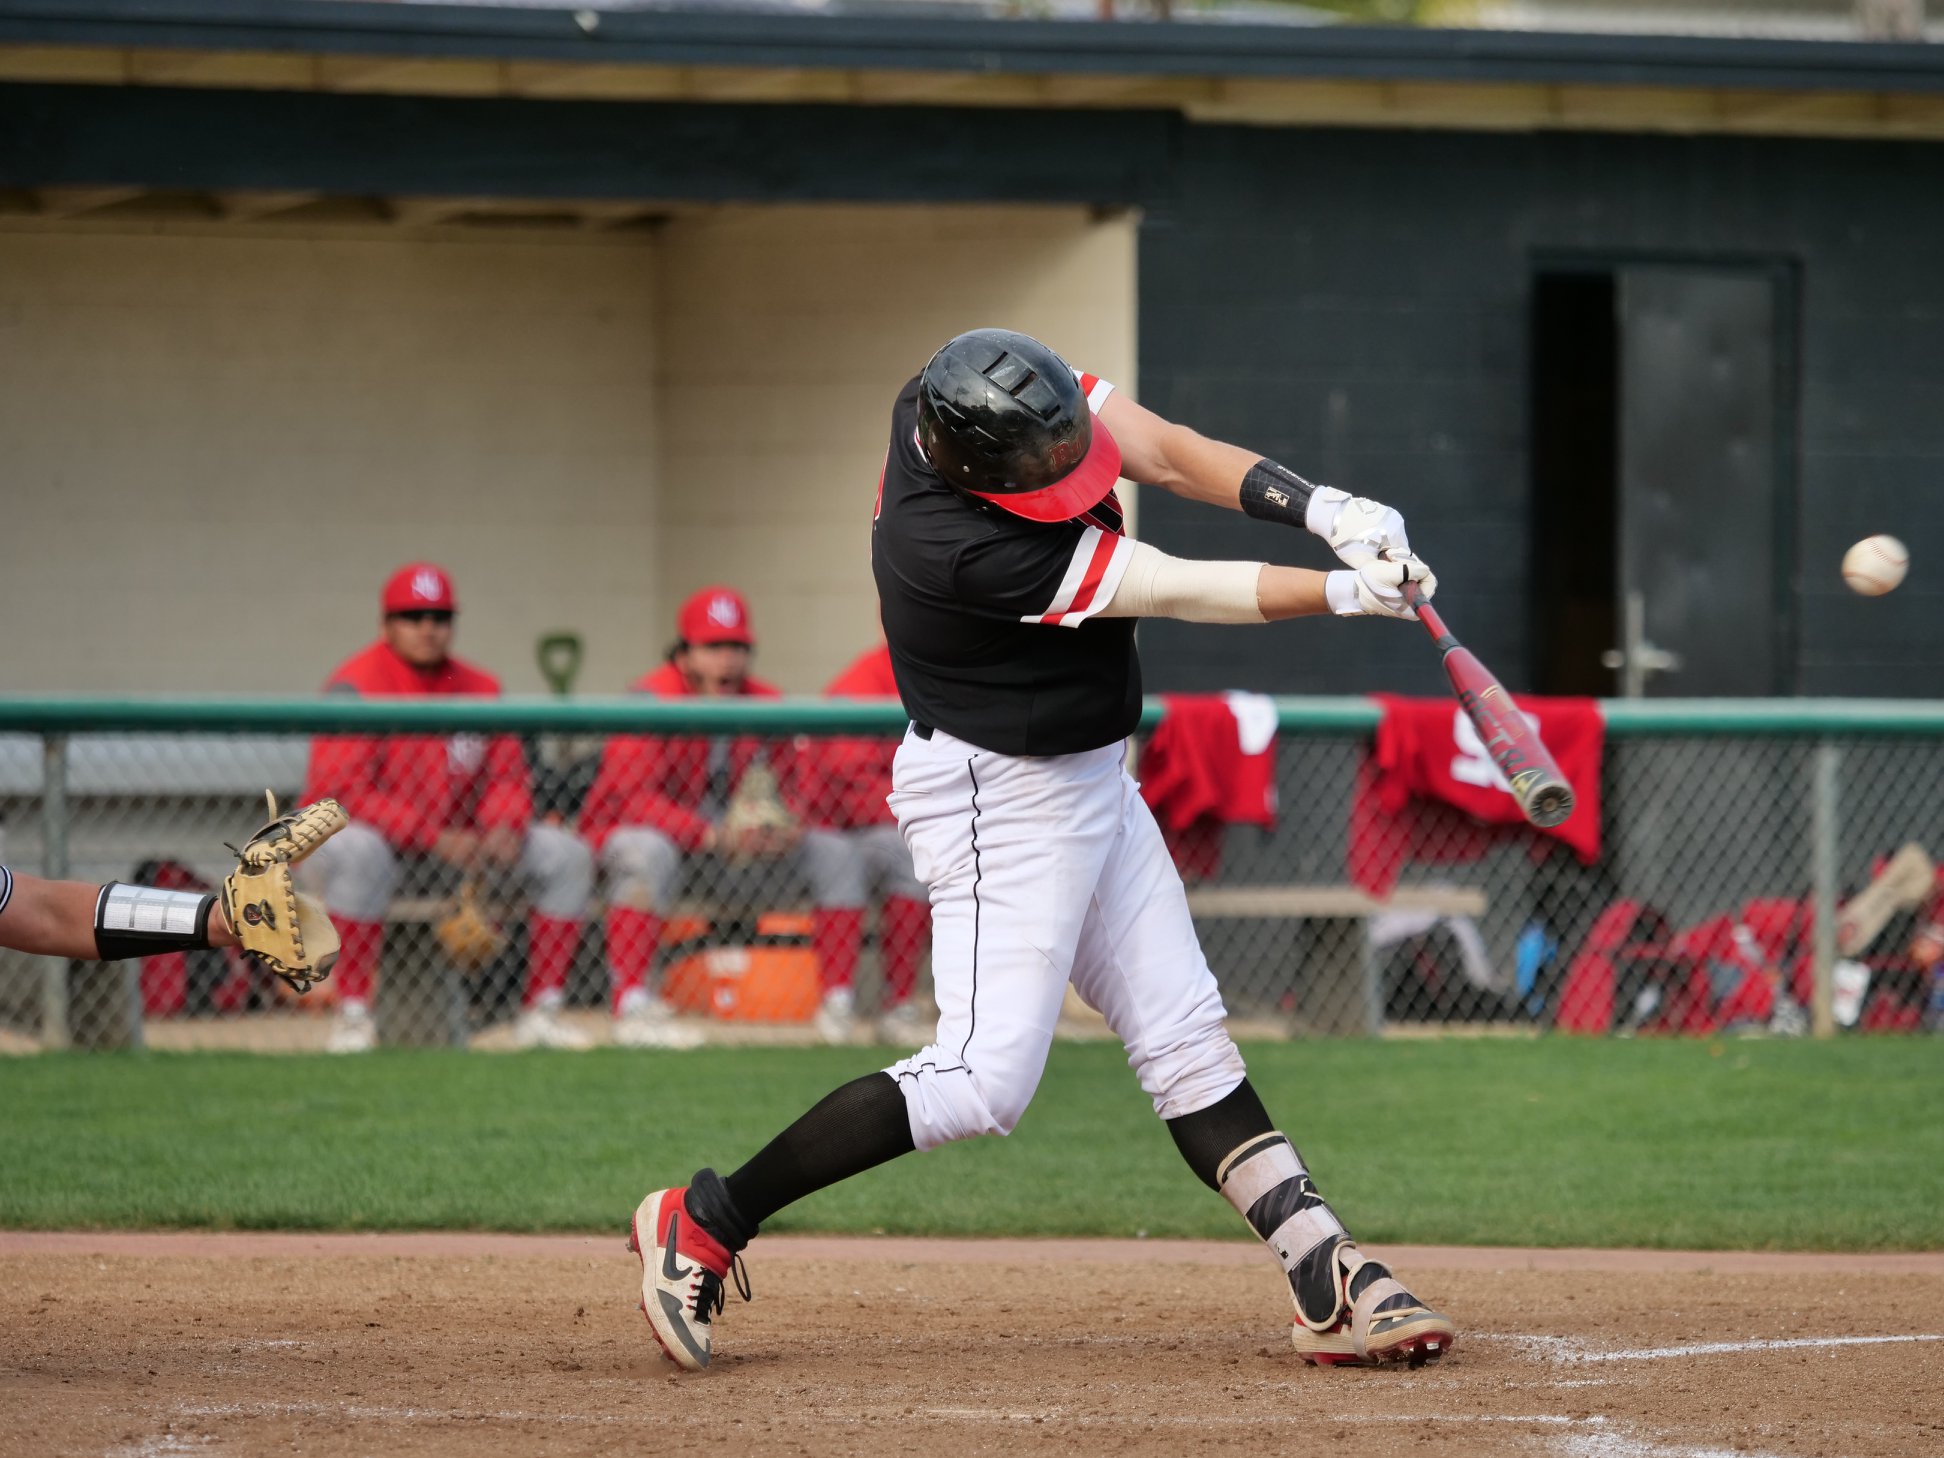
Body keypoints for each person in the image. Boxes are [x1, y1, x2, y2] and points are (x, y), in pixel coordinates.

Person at [627, 328, 1456, 1373]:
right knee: (980, 1082)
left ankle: (1325, 1271)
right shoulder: (963, 549)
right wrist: (1343, 591)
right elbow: (1173, 585)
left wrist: (1324, 507)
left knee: (1187, 1038)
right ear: (975, 468)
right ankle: (704, 1219)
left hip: (1095, 775)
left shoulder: (974, 388)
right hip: (998, 794)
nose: (1066, 474)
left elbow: (1163, 450)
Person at [300, 563, 596, 1053]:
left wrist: (505, 824)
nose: (427, 627)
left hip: (459, 852)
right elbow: (343, 793)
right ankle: (352, 1014)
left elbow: (508, 775)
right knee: (359, 849)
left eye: (439, 616)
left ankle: (542, 1011)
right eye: (412, 615)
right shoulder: (354, 684)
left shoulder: (480, 686)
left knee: (566, 854)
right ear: (386, 624)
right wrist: (431, 836)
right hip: (351, 853)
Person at [580, 587, 881, 1048]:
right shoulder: (650, 698)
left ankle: (837, 1005)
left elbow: (799, 787)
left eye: (737, 648)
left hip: (737, 856)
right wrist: (709, 834)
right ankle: (632, 1004)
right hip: (657, 852)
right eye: (713, 648)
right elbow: (632, 801)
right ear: (683, 654)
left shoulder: (766, 701)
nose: (728, 660)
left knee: (835, 852)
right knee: (647, 850)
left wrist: (786, 826)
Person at [798, 637, 932, 1044]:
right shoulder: (860, 682)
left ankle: (901, 1005)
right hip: (838, 828)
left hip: (900, 823)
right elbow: (850, 791)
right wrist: (929, 817)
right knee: (894, 851)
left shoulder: (955, 671)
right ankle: (838, 1003)